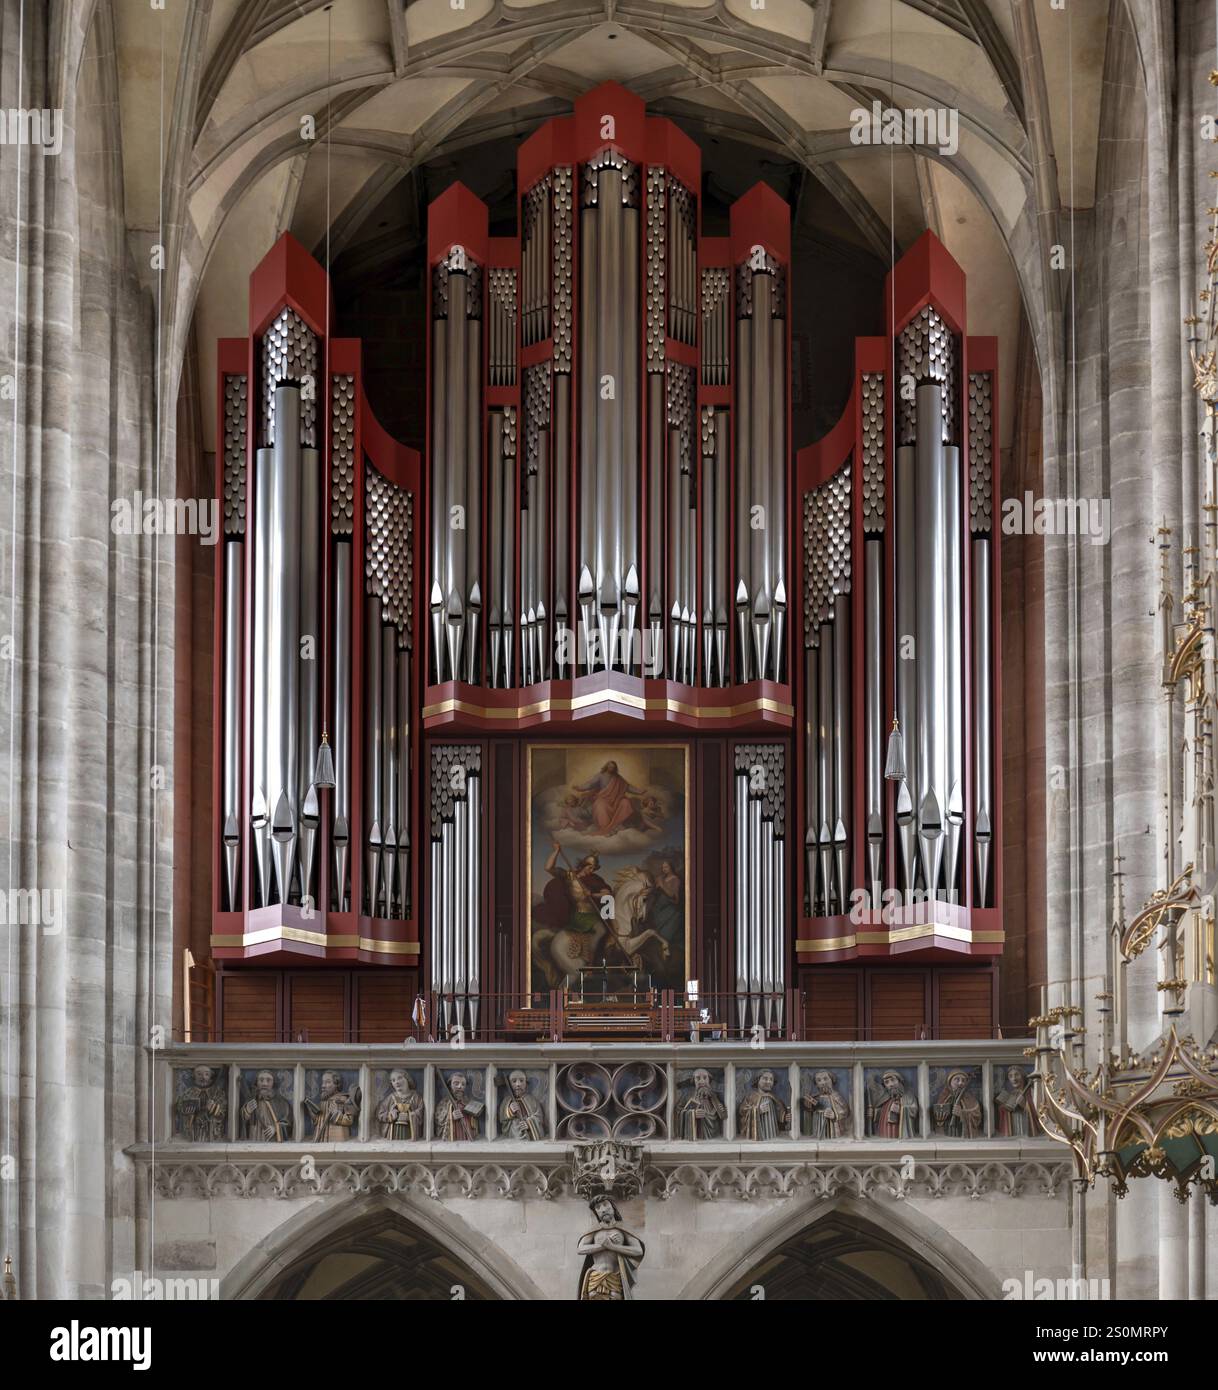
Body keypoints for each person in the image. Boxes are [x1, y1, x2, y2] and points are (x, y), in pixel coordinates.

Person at [576, 1195, 645, 1300]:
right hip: (595, 1277)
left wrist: (613, 1247)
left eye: (605, 1205)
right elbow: (580, 1249)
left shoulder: (623, 1229)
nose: (603, 1210)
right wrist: (602, 1246)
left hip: (615, 1277)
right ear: (596, 1213)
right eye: (598, 1208)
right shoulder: (594, 1230)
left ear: (613, 1207)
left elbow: (638, 1250)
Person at [573, 760, 646, 837]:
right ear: (606, 767)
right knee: (600, 805)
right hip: (603, 798)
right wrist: (580, 788)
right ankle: (605, 828)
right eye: (610, 766)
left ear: (615, 768)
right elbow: (590, 784)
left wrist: (640, 792)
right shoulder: (600, 775)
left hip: (616, 799)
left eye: (613, 767)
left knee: (625, 802)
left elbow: (628, 787)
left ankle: (618, 824)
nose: (611, 768)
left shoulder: (618, 778)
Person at [303, 1070, 360, 1142]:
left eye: (327, 1082)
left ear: (337, 1085)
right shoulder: (323, 1102)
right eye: (323, 1082)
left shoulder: (344, 1100)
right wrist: (310, 1109)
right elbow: (318, 1121)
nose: (323, 1086)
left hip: (337, 1139)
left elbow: (349, 1121)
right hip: (321, 1140)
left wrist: (336, 1114)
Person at [176, 1065, 227, 1142]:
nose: (203, 1077)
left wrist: (214, 1108)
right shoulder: (188, 1092)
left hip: (212, 1129)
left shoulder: (217, 1092)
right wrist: (186, 1110)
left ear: (211, 1076)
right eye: (199, 1074)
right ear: (194, 1076)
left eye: (206, 1074)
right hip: (193, 1128)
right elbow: (180, 1106)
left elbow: (223, 1109)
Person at [240, 1069, 293, 1142]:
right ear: (256, 1083)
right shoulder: (251, 1100)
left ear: (273, 1083)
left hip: (273, 1142)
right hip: (254, 1139)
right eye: (261, 1080)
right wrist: (247, 1111)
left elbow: (289, 1121)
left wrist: (276, 1128)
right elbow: (241, 1122)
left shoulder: (282, 1102)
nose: (264, 1084)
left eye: (268, 1080)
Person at [737, 1069, 790, 1140]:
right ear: (757, 1080)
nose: (769, 1082)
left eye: (771, 1079)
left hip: (773, 1135)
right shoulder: (751, 1097)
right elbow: (742, 1111)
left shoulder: (775, 1099)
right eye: (765, 1078)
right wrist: (757, 1111)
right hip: (757, 1134)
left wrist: (784, 1118)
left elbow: (779, 1113)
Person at [932, 1070, 984, 1139]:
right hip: (945, 1134)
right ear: (950, 1082)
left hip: (963, 1133)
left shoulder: (970, 1098)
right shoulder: (943, 1096)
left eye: (963, 1080)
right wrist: (939, 1118)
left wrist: (962, 1113)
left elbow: (977, 1115)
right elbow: (937, 1117)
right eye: (957, 1079)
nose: (960, 1083)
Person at [869, 1070, 919, 1139]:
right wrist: (873, 1113)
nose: (891, 1084)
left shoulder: (909, 1096)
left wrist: (901, 1110)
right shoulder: (884, 1098)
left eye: (893, 1080)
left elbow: (914, 1110)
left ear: (899, 1081)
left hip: (902, 1135)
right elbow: (879, 1114)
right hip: (884, 1135)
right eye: (887, 1082)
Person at [802, 1069, 851, 1139]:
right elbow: (811, 1109)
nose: (823, 1083)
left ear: (832, 1080)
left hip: (833, 1127)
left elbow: (846, 1110)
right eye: (819, 1080)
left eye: (825, 1079)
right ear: (816, 1085)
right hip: (817, 1126)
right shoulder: (816, 1097)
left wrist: (835, 1114)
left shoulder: (836, 1096)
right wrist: (808, 1105)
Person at [435, 1070, 483, 1141]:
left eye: (463, 1084)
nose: (460, 1087)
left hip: (467, 1134)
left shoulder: (467, 1100)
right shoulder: (444, 1102)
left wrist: (477, 1110)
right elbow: (438, 1119)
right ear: (450, 1086)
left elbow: (476, 1114)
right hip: (453, 1135)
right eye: (456, 1083)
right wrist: (451, 1116)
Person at [679, 1068, 726, 1140]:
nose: (702, 1081)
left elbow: (723, 1115)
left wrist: (721, 1110)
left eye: (705, 1078)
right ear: (693, 1081)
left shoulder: (714, 1096)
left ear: (709, 1080)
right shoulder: (688, 1096)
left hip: (715, 1134)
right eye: (698, 1078)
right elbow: (678, 1112)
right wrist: (693, 1114)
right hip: (697, 1132)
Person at [377, 1069, 424, 1140]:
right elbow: (379, 1113)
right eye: (393, 1080)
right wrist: (390, 1115)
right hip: (393, 1135)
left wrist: (409, 1116)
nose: (396, 1082)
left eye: (399, 1078)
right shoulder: (390, 1098)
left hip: (411, 1135)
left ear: (407, 1079)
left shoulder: (416, 1097)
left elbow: (421, 1113)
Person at [499, 1069, 546, 1141]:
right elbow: (502, 1118)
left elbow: (539, 1117)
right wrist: (509, 1111)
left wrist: (529, 1123)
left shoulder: (532, 1100)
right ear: (509, 1084)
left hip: (530, 1133)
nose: (518, 1084)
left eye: (521, 1081)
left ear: (526, 1083)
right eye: (514, 1081)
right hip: (513, 1134)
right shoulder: (506, 1101)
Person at [994, 1065, 1039, 1137]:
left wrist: (1025, 1105)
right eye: (1010, 1076)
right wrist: (1003, 1107)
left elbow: (1039, 1111)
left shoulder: (1031, 1092)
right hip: (1013, 1129)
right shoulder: (1012, 1093)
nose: (1014, 1079)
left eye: (1017, 1075)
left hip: (1026, 1129)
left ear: (1023, 1076)